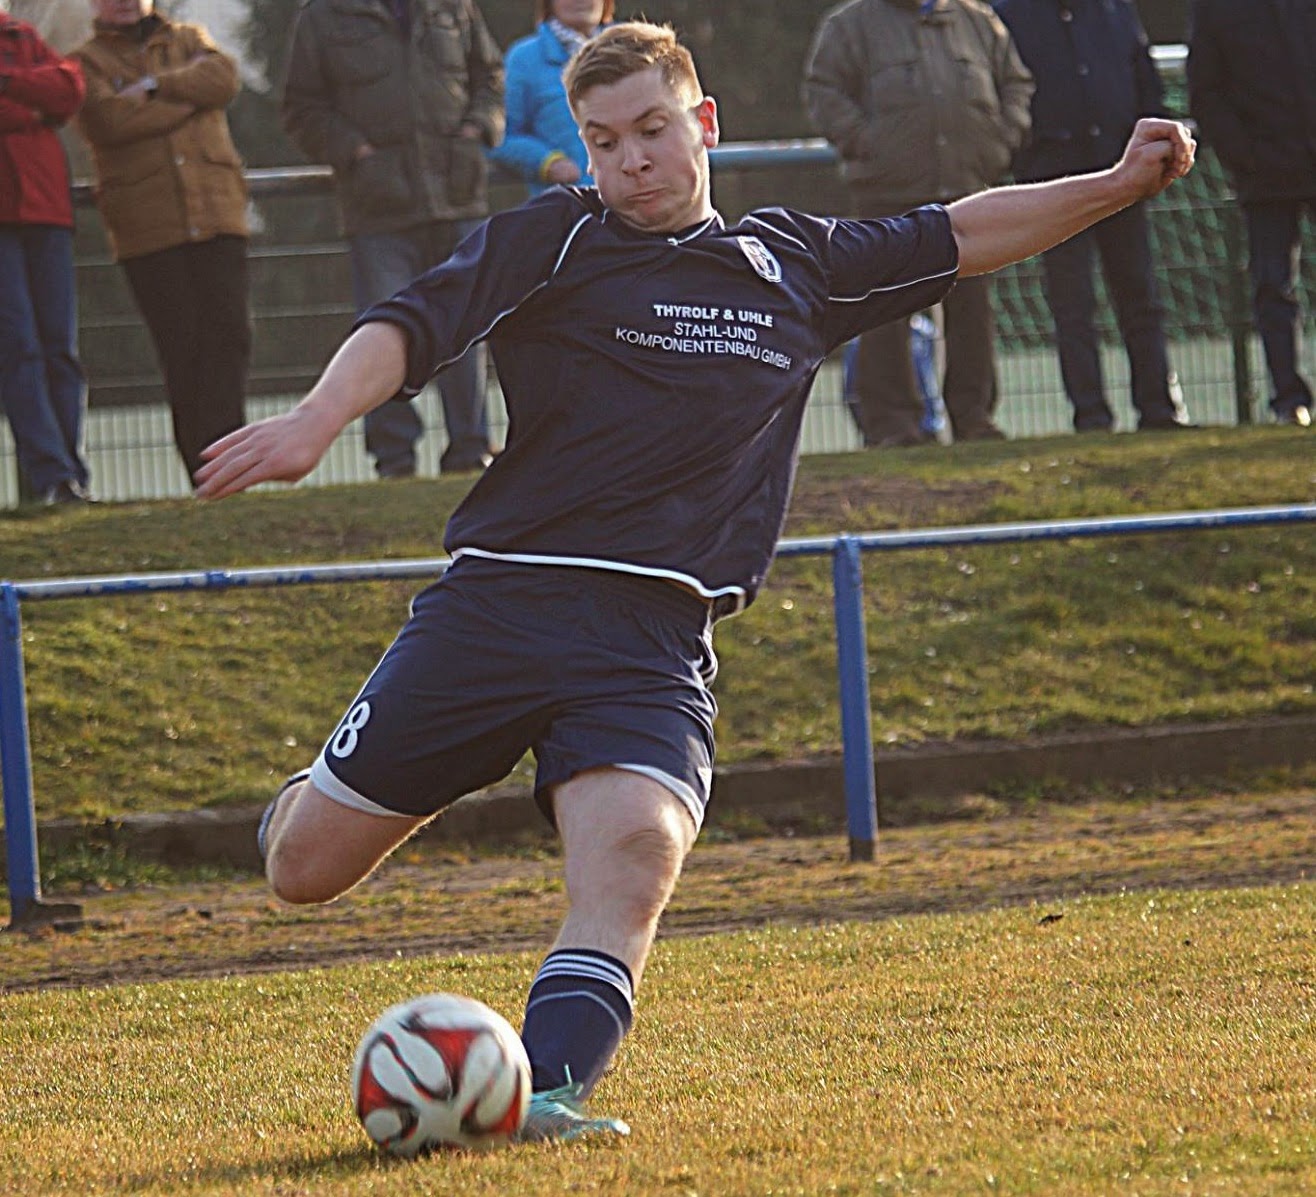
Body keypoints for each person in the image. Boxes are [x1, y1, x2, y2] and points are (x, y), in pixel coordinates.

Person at [195, 20, 1195, 1141]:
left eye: (652, 130)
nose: (629, 159)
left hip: (652, 637)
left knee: (634, 852)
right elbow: (411, 323)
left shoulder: (791, 264)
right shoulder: (555, 237)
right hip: (500, 604)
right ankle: (312, 789)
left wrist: (1114, 184)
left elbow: (962, 231)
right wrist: (315, 421)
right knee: (302, 870)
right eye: (603, 138)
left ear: (703, 123)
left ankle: (545, 1091)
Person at [281, 0, 505, 478]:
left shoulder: (453, 7)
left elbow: (490, 78)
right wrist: (356, 153)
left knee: (467, 329)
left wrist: (477, 130)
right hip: (378, 209)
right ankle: (395, 460)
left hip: (458, 195)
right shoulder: (322, 16)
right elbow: (302, 110)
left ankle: (471, 449)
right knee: (383, 334)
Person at [803, 0, 1033, 447]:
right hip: (887, 195)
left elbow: (1017, 86)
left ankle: (974, 419)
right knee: (884, 310)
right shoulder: (850, 26)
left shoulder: (979, 22)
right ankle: (893, 426)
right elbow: (824, 92)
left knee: (972, 309)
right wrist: (870, 145)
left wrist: (998, 143)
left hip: (968, 189)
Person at [994, 0, 1192, 433]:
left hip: (1122, 178)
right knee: (1073, 306)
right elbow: (1005, 90)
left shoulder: (1115, 10)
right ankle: (1091, 417)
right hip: (1053, 186)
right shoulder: (1009, 15)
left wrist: (1152, 152)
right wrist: (1027, 151)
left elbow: (1145, 80)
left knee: (1140, 299)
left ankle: (1160, 410)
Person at [74, 0, 249, 483]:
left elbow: (224, 79)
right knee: (182, 347)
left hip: (217, 214)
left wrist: (153, 87)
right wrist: (190, 99)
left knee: (230, 337)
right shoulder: (86, 61)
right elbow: (109, 122)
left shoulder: (190, 38)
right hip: (149, 229)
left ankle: (233, 459)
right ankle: (204, 469)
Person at [1188, 0, 1315, 428]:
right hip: (1266, 175)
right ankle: (1288, 399)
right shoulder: (1217, 10)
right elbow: (1206, 90)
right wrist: (1247, 157)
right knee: (1273, 285)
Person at [0, 1, 92, 505]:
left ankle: (70, 471)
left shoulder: (21, 36)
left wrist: (8, 86)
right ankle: (50, 474)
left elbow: (69, 88)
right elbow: (48, 97)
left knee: (59, 347)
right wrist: (31, 105)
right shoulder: (23, 48)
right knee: (19, 347)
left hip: (45, 209)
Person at [488, 0, 613, 196]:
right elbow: (498, 135)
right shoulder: (524, 59)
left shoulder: (636, 48)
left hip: (641, 202)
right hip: (568, 210)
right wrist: (546, 161)